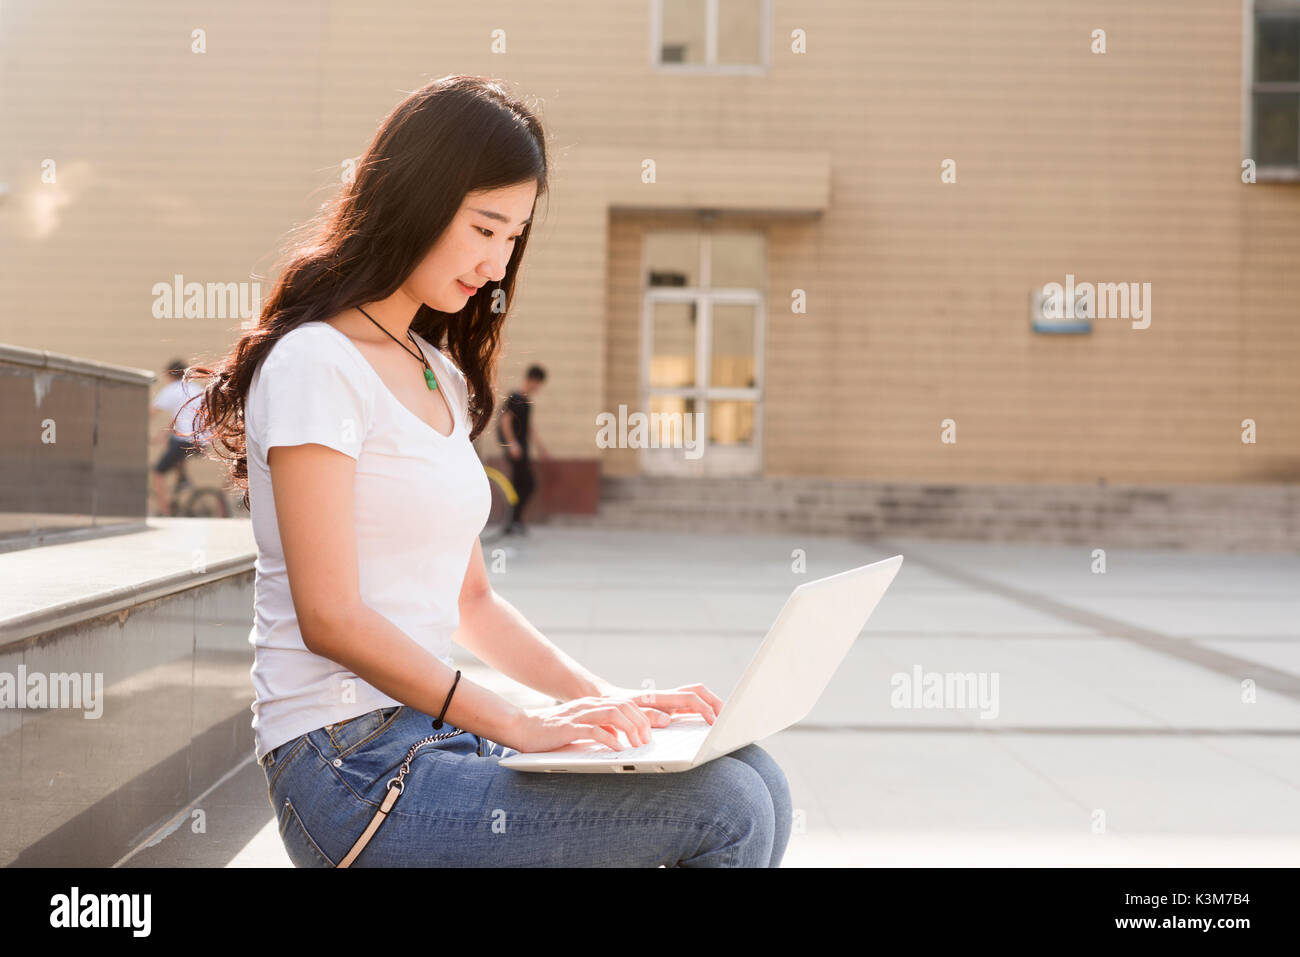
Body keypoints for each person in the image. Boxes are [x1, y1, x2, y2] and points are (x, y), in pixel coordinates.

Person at [191, 75, 790, 867]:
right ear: (416, 196)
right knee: (726, 808)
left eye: (513, 238)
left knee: (755, 775)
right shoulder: (316, 363)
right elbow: (329, 616)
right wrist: (515, 722)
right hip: (347, 768)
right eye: (484, 228)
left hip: (434, 735)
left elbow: (472, 600)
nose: (496, 263)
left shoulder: (441, 371)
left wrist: (600, 698)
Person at [150, 358, 209, 515]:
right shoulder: (195, 388)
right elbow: (177, 420)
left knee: (158, 472)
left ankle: (165, 512)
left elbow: (150, 414)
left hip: (186, 439)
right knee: (172, 442)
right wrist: (160, 437)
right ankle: (182, 479)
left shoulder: (172, 389)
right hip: (203, 440)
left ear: (170, 375)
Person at [496, 364, 549, 535]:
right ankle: (513, 521)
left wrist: (540, 445)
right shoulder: (515, 397)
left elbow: (528, 427)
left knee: (520, 484)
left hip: (523, 448)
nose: (538, 387)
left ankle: (514, 522)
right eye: (538, 383)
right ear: (532, 380)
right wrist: (512, 444)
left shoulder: (526, 400)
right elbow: (505, 421)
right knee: (527, 484)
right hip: (516, 449)